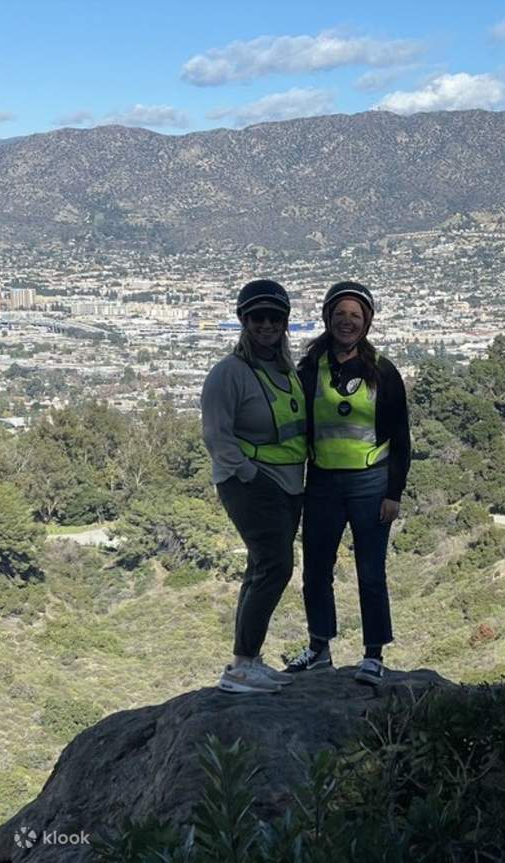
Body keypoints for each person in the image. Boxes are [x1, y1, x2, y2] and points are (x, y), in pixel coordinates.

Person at [285, 281, 410, 685]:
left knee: (370, 571)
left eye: (355, 316)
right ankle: (319, 646)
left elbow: (402, 436)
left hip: (371, 483)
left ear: (367, 322)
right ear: (327, 318)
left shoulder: (384, 371)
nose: (347, 322)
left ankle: (373, 654)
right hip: (322, 482)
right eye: (340, 314)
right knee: (316, 569)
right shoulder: (309, 369)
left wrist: (394, 493)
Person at [201, 279, 306, 694]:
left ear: (285, 322)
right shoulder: (229, 373)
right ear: (243, 321)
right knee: (276, 566)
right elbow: (215, 434)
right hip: (252, 484)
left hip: (287, 485)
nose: (266, 324)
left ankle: (248, 660)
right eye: (257, 317)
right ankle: (242, 665)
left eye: (274, 317)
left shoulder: (285, 371)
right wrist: (247, 474)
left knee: (261, 567)